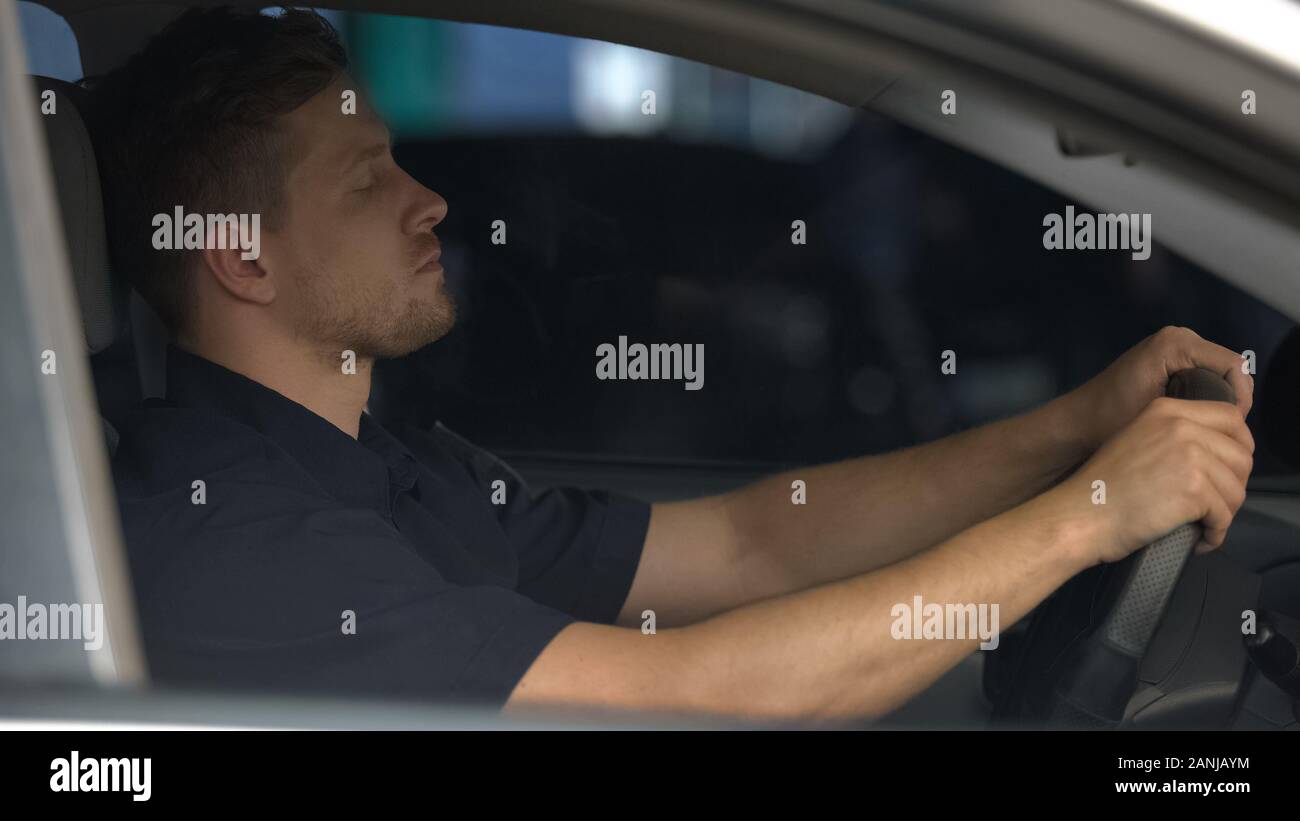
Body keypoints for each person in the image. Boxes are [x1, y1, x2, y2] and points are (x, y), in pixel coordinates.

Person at [88, 6, 1254, 721]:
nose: (429, 199)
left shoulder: (382, 467)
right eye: (364, 181)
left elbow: (755, 543)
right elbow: (703, 697)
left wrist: (1078, 428)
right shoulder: (240, 538)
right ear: (236, 257)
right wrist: (1092, 517)